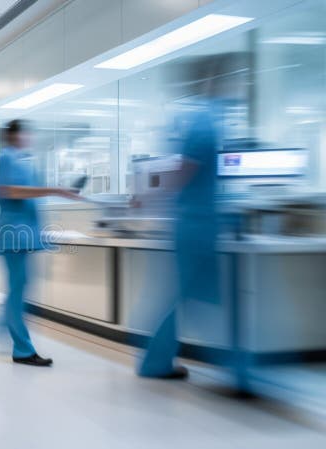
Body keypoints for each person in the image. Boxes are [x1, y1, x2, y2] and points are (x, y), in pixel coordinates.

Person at [136, 58, 222, 380]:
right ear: (211, 81)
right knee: (192, 296)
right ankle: (238, 370)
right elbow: (184, 172)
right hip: (197, 225)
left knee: (194, 297)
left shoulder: (196, 120)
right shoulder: (203, 121)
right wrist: (149, 198)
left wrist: (149, 198)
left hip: (195, 223)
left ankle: (158, 361)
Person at [0, 120, 83, 367]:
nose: (29, 137)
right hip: (14, 236)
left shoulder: (20, 160)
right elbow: (10, 191)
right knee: (17, 293)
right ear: (15, 135)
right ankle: (22, 349)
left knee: (20, 290)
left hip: (23, 236)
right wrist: (53, 190)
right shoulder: (7, 157)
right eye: (26, 133)